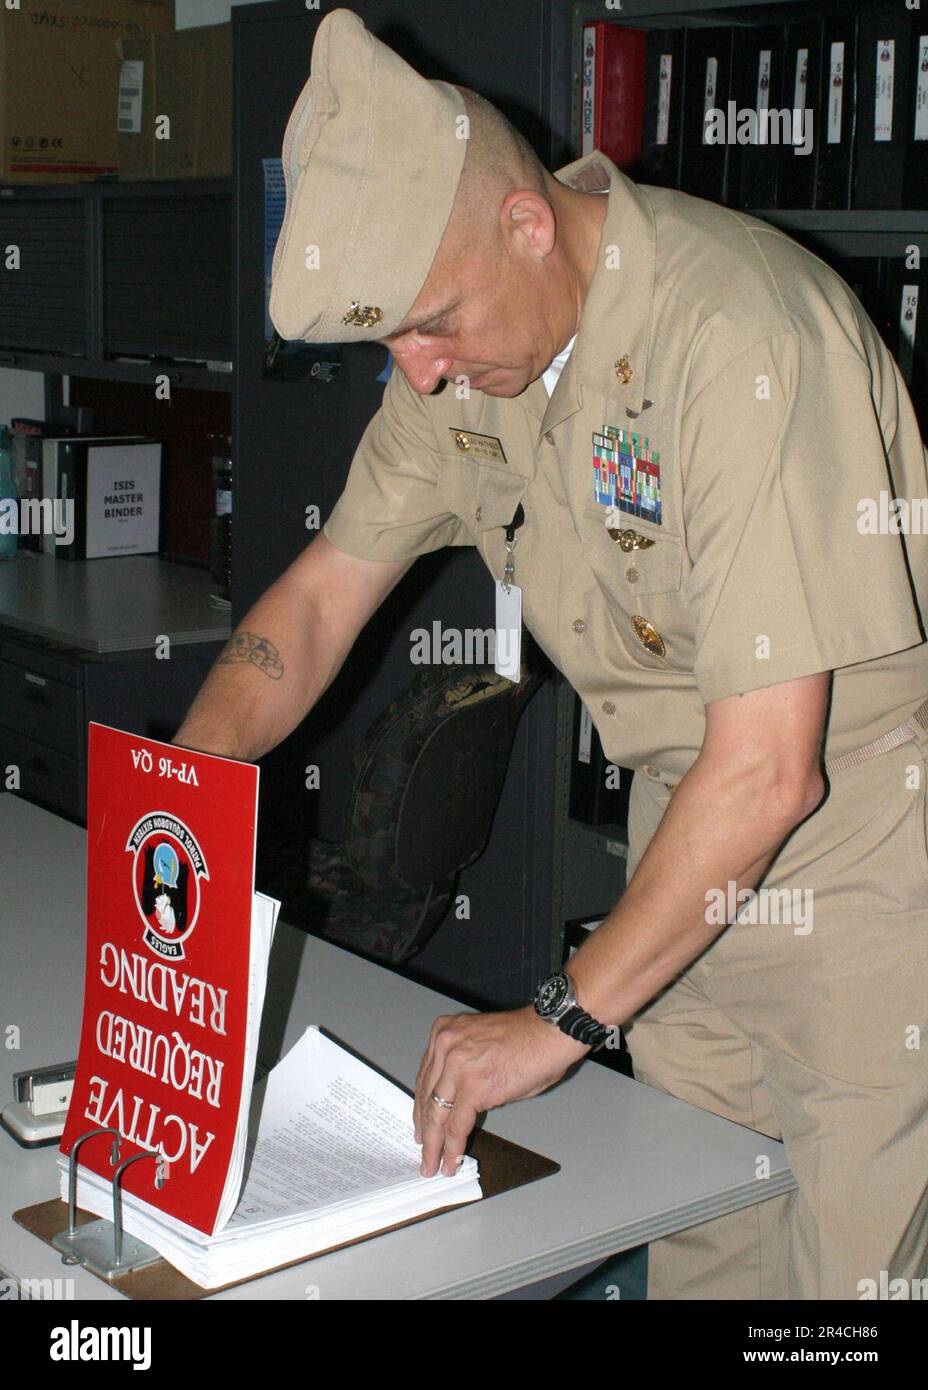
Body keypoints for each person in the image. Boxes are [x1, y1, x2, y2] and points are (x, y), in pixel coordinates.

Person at [174, 9, 928, 1299]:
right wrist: (172, 813)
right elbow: (302, 619)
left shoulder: (738, 335)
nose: (416, 374)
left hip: (862, 853)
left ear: (529, 224)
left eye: (434, 324)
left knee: (853, 1283)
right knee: (711, 1249)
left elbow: (769, 771)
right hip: (677, 849)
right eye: (392, 342)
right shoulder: (464, 365)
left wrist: (562, 1020)